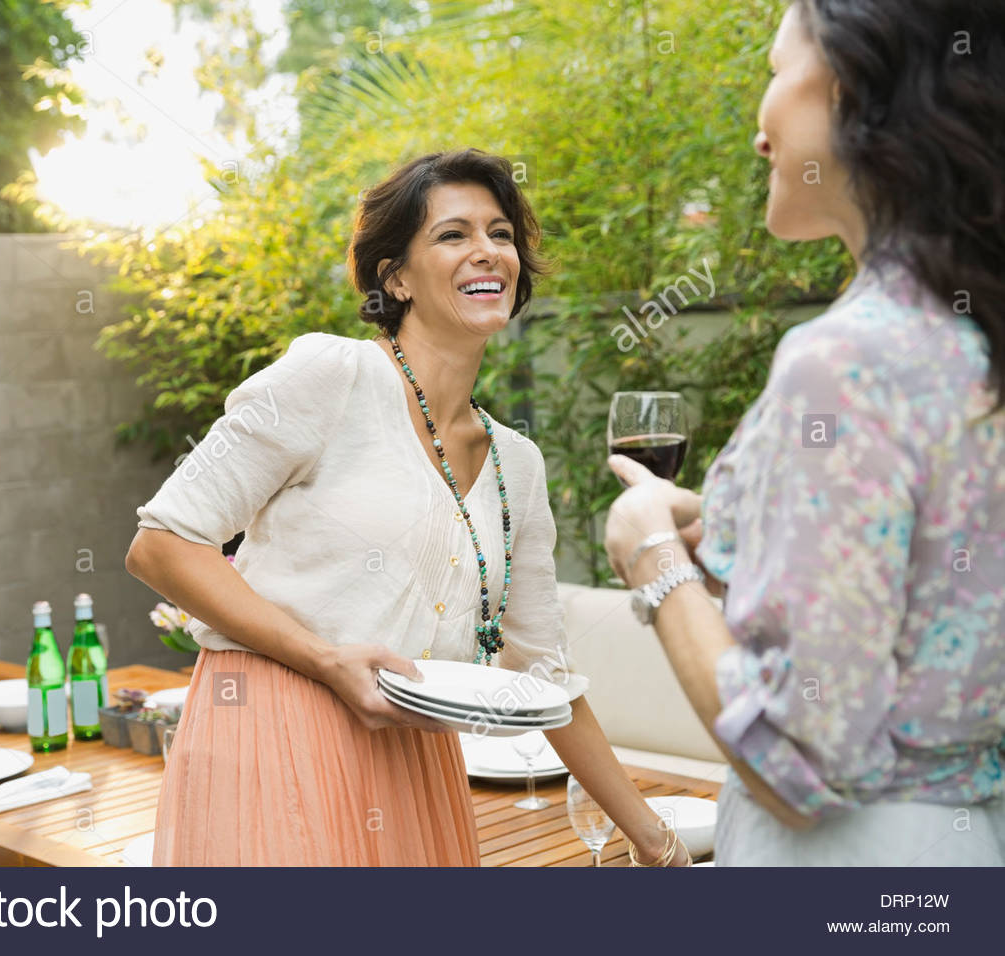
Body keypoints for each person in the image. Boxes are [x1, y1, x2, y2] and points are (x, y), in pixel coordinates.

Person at [127, 148, 689, 866]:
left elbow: (545, 672)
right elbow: (162, 541)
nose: (487, 251)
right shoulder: (331, 375)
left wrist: (655, 840)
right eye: (453, 235)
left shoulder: (518, 463)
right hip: (273, 734)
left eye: (501, 234)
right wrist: (327, 660)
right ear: (396, 276)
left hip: (412, 762)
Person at [603, 0, 1005, 865]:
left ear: (853, 81)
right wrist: (731, 531)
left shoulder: (846, 358)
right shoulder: (971, 335)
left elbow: (803, 756)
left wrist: (655, 561)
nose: (759, 131)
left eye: (777, 71)